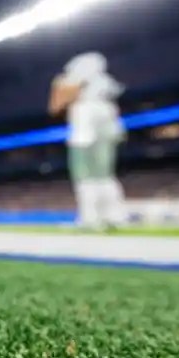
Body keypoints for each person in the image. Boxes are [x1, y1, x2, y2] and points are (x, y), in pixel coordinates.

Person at [49, 52, 127, 230]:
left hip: (85, 125)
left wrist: (60, 87)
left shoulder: (75, 85)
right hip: (108, 122)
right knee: (105, 175)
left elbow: (55, 106)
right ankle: (114, 217)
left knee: (84, 175)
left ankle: (90, 218)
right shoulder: (106, 85)